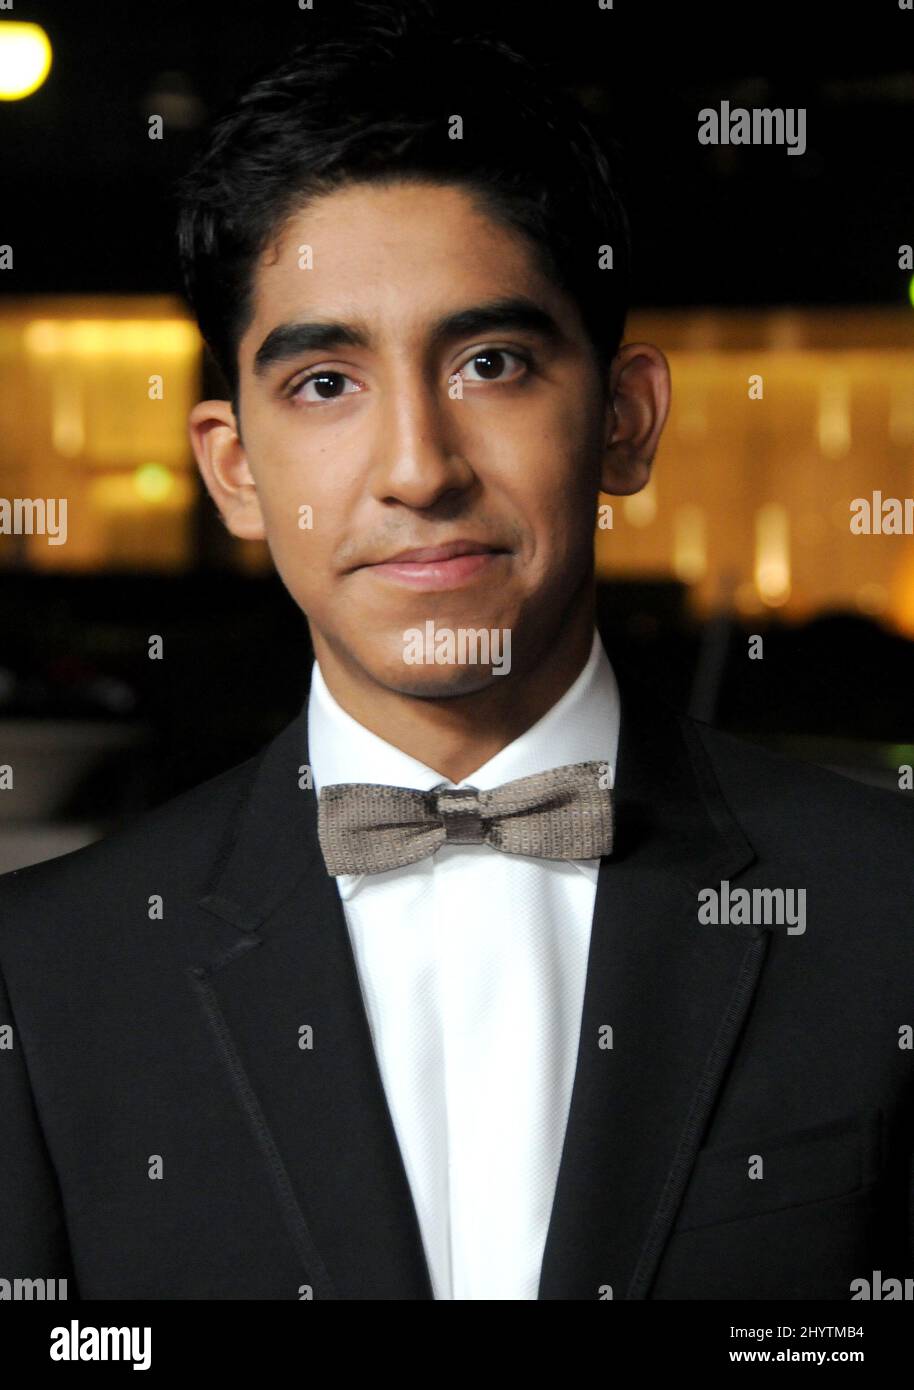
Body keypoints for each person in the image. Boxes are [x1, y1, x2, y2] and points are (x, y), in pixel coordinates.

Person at [1, 2, 911, 1302]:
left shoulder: (887, 910)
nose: (418, 468)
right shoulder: (44, 977)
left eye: (490, 361)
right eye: (325, 383)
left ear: (624, 421)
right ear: (234, 468)